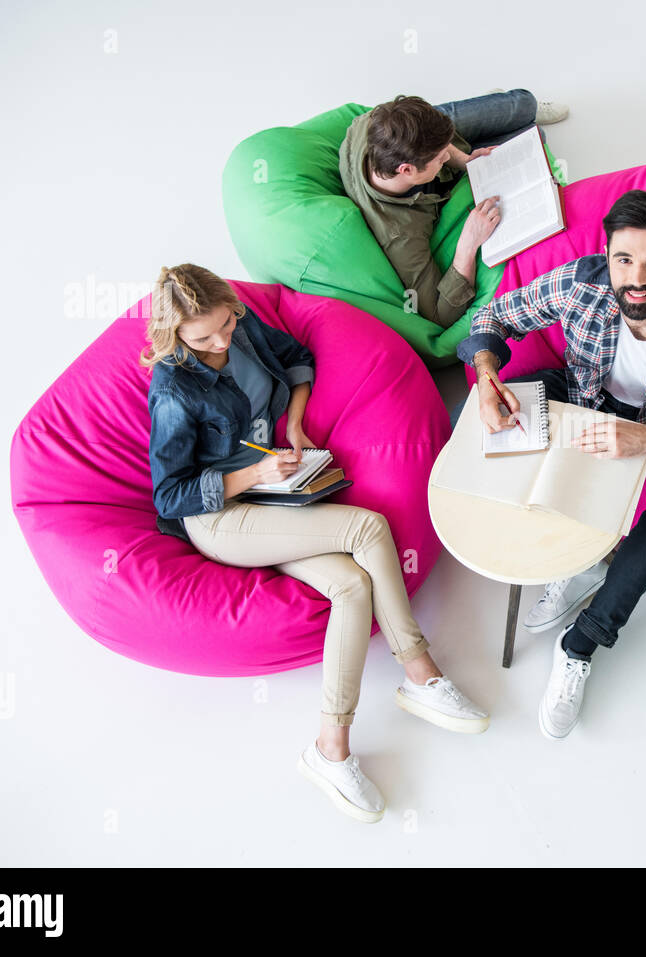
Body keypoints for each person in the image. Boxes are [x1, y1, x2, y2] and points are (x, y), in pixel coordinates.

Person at [144, 264, 489, 823]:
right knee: (368, 527)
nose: (220, 341)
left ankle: (330, 750)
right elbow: (171, 495)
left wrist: (296, 428)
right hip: (222, 514)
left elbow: (297, 359)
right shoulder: (173, 390)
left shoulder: (242, 324)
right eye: (202, 337)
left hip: (274, 480)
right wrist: (251, 478)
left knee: (352, 586)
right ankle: (422, 672)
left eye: (225, 326)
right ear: (175, 333)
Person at [456, 190, 646, 740]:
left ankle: (583, 641)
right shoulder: (581, 282)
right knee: (497, 404)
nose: (637, 278)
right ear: (607, 256)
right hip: (587, 398)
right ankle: (571, 557)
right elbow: (492, 316)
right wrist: (488, 374)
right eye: (624, 259)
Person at [338, 89, 569, 328]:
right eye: (440, 158)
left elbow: (437, 146)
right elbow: (440, 313)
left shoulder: (380, 123)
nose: (445, 157)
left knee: (524, 103)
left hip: (425, 140)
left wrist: (463, 159)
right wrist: (467, 244)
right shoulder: (398, 233)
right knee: (535, 136)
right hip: (422, 157)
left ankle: (488, 118)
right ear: (406, 170)